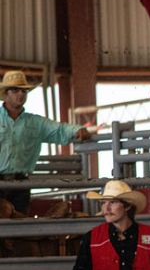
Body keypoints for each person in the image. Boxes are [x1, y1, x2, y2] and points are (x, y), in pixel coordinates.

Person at [1, 70, 91, 213]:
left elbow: (60, 129)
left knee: (19, 227)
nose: (21, 94)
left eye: (24, 90)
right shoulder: (36, 123)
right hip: (12, 183)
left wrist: (77, 130)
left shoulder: (36, 123)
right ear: (5, 94)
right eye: (15, 90)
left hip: (21, 184)